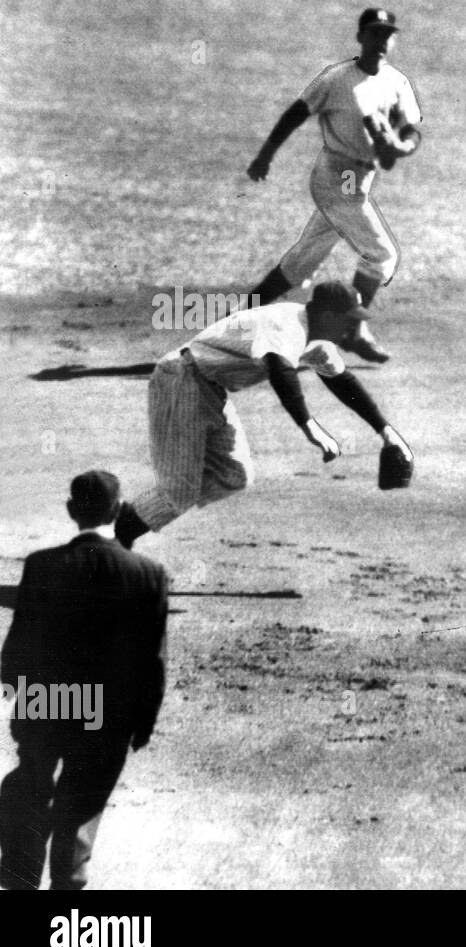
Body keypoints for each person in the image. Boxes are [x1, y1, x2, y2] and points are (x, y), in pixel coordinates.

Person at [113, 281, 413, 548]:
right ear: (327, 316)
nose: (352, 329)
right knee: (179, 492)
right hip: (182, 379)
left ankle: (147, 506)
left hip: (210, 388)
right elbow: (281, 372)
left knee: (235, 475)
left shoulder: (319, 338)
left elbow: (342, 381)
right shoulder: (287, 325)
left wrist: (385, 431)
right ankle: (118, 537)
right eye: (348, 321)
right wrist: (310, 427)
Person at [0, 471, 168, 890]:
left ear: (72, 511)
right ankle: (68, 884)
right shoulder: (148, 573)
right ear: (119, 510)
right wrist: (143, 722)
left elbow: (17, 648)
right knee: (83, 800)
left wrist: (19, 703)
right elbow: (153, 663)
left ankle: (20, 875)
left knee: (30, 782)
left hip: (50, 701)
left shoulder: (42, 565)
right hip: (109, 713)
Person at [246, 8, 423, 364]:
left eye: (387, 34)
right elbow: (295, 114)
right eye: (374, 33)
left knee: (301, 262)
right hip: (336, 177)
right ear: (360, 38)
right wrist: (265, 155)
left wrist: (398, 146)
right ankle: (350, 330)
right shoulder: (336, 79)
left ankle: (239, 317)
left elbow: (411, 132)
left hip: (360, 179)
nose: (381, 41)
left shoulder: (397, 82)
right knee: (381, 255)